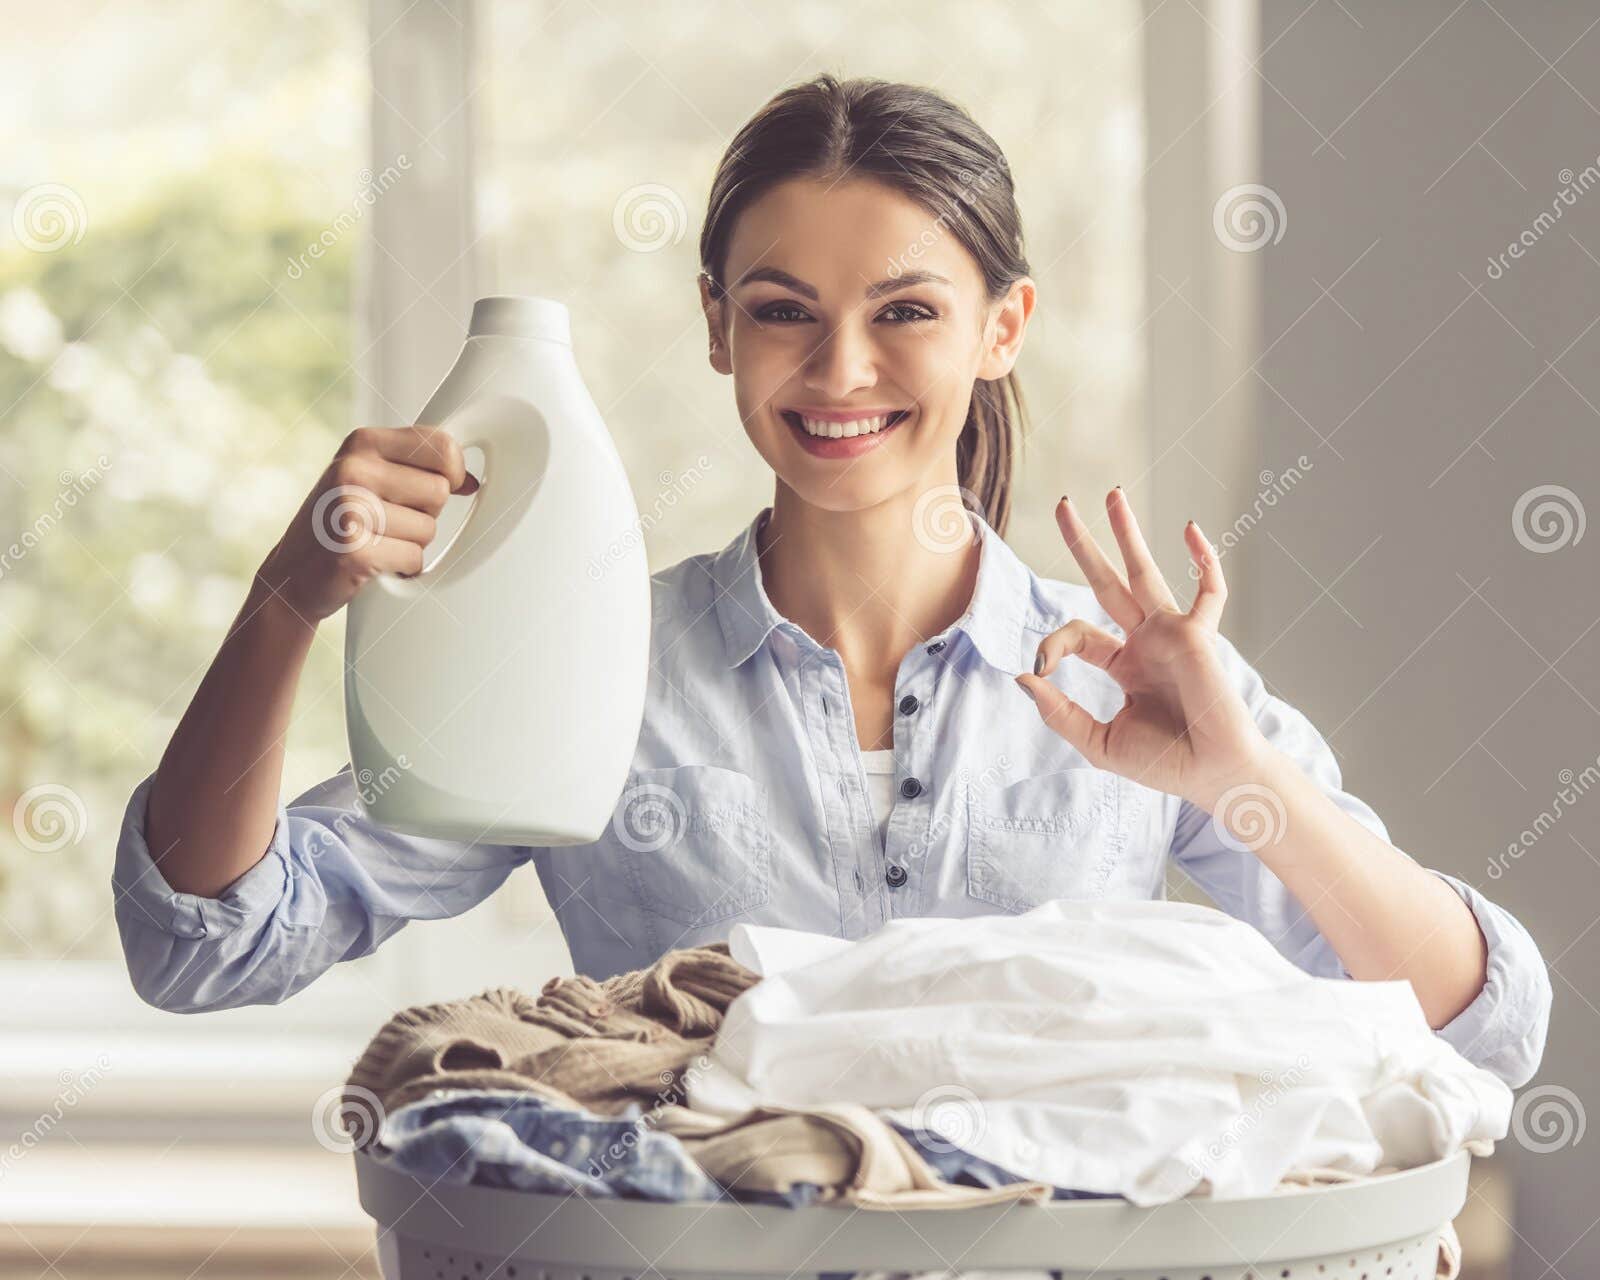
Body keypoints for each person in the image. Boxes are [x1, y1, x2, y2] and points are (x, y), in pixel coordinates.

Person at [111, 74, 1550, 1089]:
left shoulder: (1131, 684)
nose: (841, 370)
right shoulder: (596, 661)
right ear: (717, 330)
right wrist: (286, 604)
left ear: (1005, 327)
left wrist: (1247, 778)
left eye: (907, 311)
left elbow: (1480, 1029)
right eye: (783, 312)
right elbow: (207, 943)